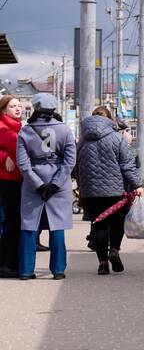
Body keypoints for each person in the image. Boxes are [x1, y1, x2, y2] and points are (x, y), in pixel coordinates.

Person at [14, 93, 76, 280]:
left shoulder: (26, 131)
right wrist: (56, 183)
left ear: (35, 108)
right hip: (59, 183)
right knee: (57, 227)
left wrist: (39, 185)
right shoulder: (65, 130)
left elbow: (23, 164)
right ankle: (58, 270)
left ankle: (25, 270)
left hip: (33, 183)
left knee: (29, 226)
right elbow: (70, 161)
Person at [77, 106, 142, 275]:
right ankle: (114, 250)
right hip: (116, 190)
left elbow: (76, 165)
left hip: (90, 190)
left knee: (98, 225)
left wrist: (81, 185)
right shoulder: (117, 138)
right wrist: (137, 184)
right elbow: (127, 165)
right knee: (116, 223)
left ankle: (102, 263)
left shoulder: (82, 139)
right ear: (110, 119)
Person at [0, 95, 24, 277]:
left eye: (19, 105)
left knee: (13, 222)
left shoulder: (17, 127)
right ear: (3, 110)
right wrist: (3, 157)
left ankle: (11, 262)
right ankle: (6, 264)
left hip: (16, 180)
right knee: (9, 222)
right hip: (5, 180)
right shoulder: (3, 128)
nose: (18, 109)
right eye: (12, 106)